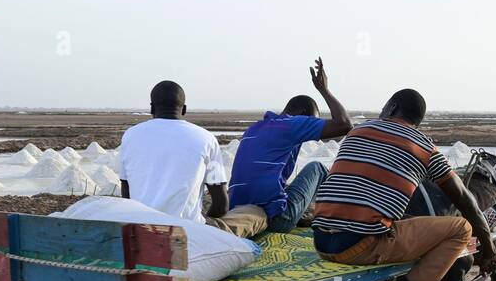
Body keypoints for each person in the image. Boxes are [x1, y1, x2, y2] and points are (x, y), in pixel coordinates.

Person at [312, 88, 496, 281]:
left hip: (322, 240)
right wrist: (487, 246)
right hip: (359, 247)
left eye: (383, 108)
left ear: (390, 108)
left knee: (406, 218)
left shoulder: (358, 131)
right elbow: (464, 197)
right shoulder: (425, 146)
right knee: (461, 228)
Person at [118, 80, 267, 238]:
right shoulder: (206, 139)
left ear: (152, 108)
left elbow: (126, 193)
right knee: (255, 213)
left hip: (141, 229)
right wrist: (204, 224)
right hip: (187, 233)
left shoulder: (131, 135)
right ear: (184, 109)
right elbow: (221, 205)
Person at [228, 57, 352, 234]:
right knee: (317, 168)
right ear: (302, 115)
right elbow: (345, 125)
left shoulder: (254, 128)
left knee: (287, 186)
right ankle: (339, 220)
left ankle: (309, 213)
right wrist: (324, 89)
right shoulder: (291, 124)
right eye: (312, 120)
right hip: (276, 220)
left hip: (239, 213)